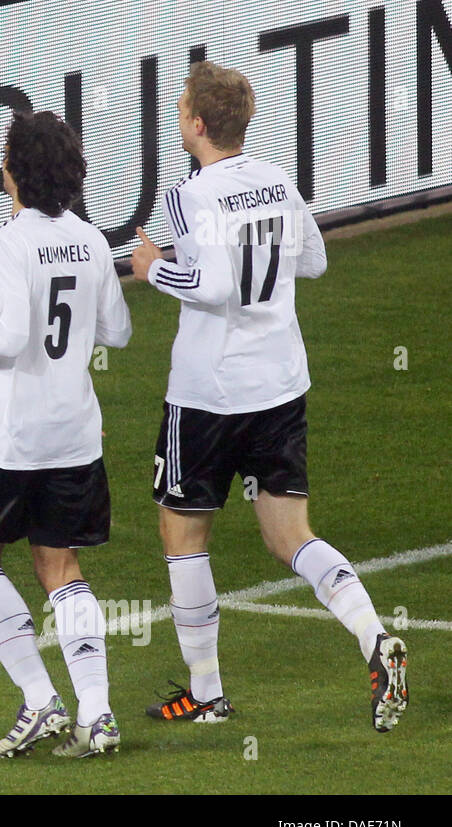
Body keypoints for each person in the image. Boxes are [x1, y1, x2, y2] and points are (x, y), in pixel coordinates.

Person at [130, 61, 408, 732]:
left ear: (197, 124)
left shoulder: (189, 195)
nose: (177, 113)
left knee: (182, 532)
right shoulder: (279, 180)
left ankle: (206, 691)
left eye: (181, 106)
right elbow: (313, 261)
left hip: (208, 391)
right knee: (291, 535)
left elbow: (212, 285)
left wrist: (153, 270)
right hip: (279, 383)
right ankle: (375, 636)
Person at [0, 110, 132, 757]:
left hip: (4, 438)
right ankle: (96, 714)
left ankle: (41, 698)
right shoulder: (91, 240)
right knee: (61, 565)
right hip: (72, 434)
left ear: (14, 171)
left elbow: (6, 339)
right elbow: (115, 331)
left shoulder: (4, 243)